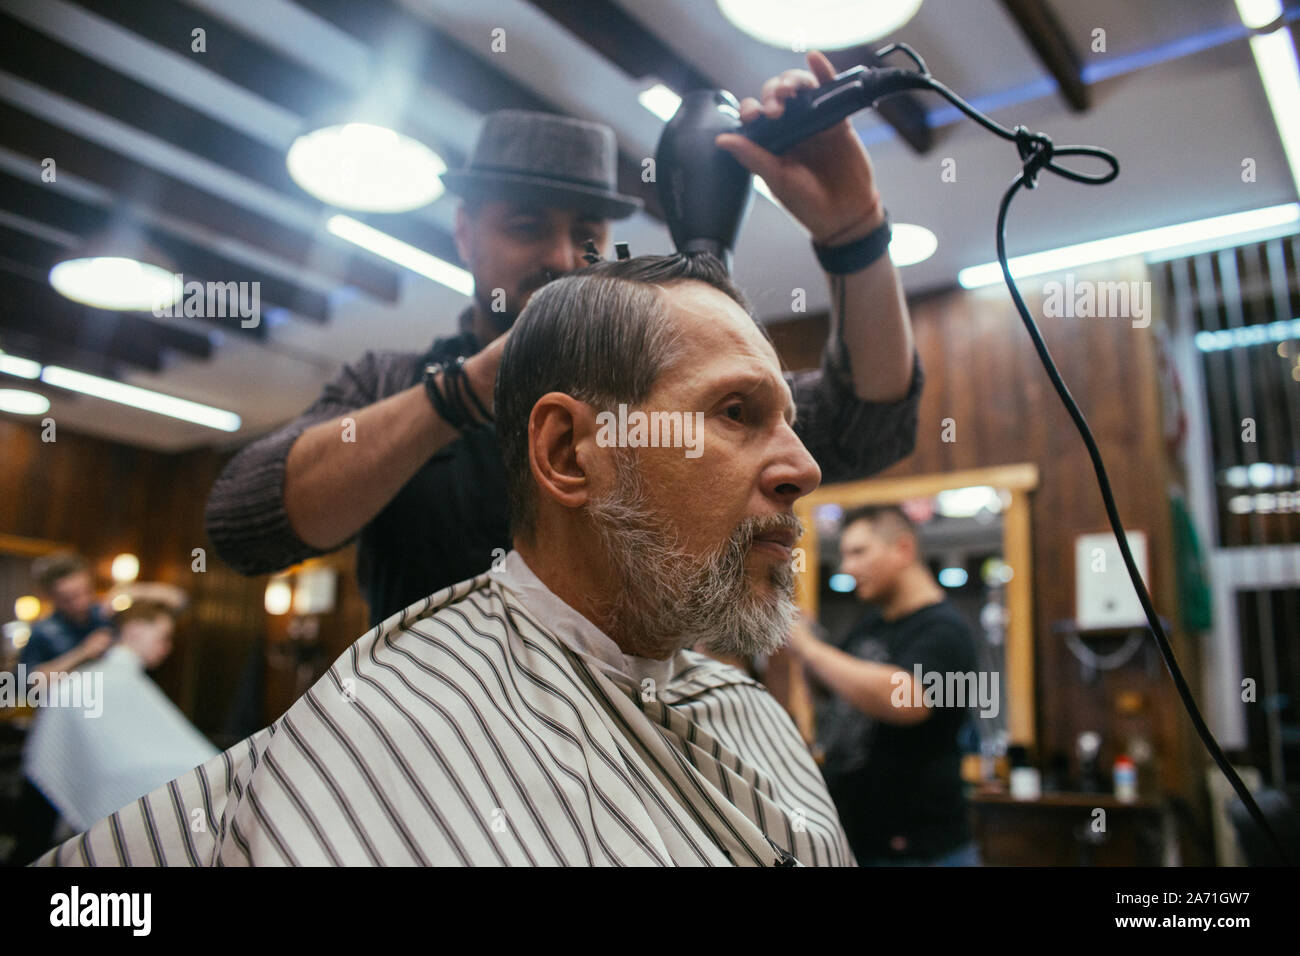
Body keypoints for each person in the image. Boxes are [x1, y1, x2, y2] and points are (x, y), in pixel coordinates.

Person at [35, 252, 854, 866]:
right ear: (569, 452)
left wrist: (854, 239)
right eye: (737, 411)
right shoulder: (384, 729)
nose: (804, 468)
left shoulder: (748, 715)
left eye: (786, 417)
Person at [204, 51, 923, 626]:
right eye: (526, 226)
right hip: (426, 756)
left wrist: (854, 231)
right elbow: (244, 523)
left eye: (587, 234)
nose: (560, 254)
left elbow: (869, 424)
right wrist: (459, 395)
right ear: (463, 232)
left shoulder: (644, 389)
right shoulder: (389, 382)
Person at [788, 505, 981, 866]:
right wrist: (802, 641)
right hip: (860, 842)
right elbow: (829, 692)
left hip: (921, 852)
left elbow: (906, 698)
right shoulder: (871, 624)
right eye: (845, 554)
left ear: (903, 550)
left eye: (858, 552)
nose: (847, 567)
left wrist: (810, 649)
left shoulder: (944, 630)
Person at [22, 600, 218, 833]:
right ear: (134, 630)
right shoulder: (103, 680)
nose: (167, 647)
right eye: (163, 637)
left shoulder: (116, 678)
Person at [9, 553, 113, 865]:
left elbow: (174, 600)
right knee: (35, 831)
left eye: (83, 592)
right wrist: (82, 653)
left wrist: (128, 595)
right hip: (55, 737)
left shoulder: (106, 617)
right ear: (53, 597)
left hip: (99, 736)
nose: (79, 602)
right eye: (68, 598)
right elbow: (23, 685)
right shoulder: (43, 632)